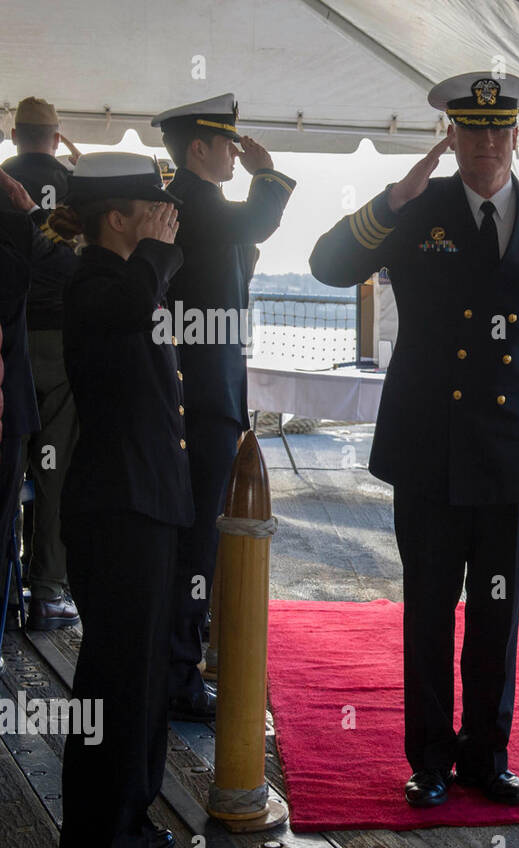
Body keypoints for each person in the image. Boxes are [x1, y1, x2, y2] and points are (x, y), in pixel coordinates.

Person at [310, 72, 519, 808]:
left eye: (496, 130)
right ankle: (431, 759)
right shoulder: (420, 210)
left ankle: (487, 753)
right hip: (430, 448)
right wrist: (391, 199)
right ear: (452, 137)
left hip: (515, 450)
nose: (484, 144)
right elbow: (326, 265)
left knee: (499, 612)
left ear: (514, 136)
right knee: (430, 606)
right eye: (469, 131)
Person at [54, 152, 191, 848]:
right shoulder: (96, 284)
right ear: (117, 217)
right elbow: (134, 303)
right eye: (151, 207)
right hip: (117, 510)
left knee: (143, 680)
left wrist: (162, 250)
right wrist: (157, 254)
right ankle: (97, 844)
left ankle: (130, 820)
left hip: (146, 503)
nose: (164, 218)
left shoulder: (126, 279)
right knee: (114, 681)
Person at [152, 94, 296, 721]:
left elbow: (243, 252)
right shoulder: (191, 201)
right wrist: (269, 175)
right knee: (192, 544)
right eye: (227, 144)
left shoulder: (193, 203)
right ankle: (177, 677)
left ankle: (179, 662)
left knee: (196, 540)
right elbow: (255, 224)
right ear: (197, 150)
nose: (236, 153)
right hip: (198, 402)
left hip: (206, 396)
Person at [2, 97, 81, 629]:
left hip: (9, 341)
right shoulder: (74, 184)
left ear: (14, 134)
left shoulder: (3, 179)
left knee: (7, 468)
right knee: (55, 470)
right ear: (54, 138)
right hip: (60, 341)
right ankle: (50, 592)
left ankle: (5, 592)